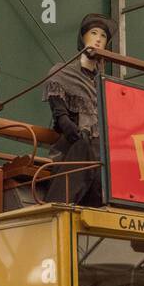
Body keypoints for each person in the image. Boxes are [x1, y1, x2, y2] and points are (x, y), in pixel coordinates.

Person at [41, 13, 115, 206]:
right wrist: (71, 127)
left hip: (102, 151)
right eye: (93, 33)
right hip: (75, 148)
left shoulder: (106, 84)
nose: (98, 39)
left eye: (103, 36)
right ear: (83, 38)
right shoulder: (63, 72)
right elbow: (61, 117)